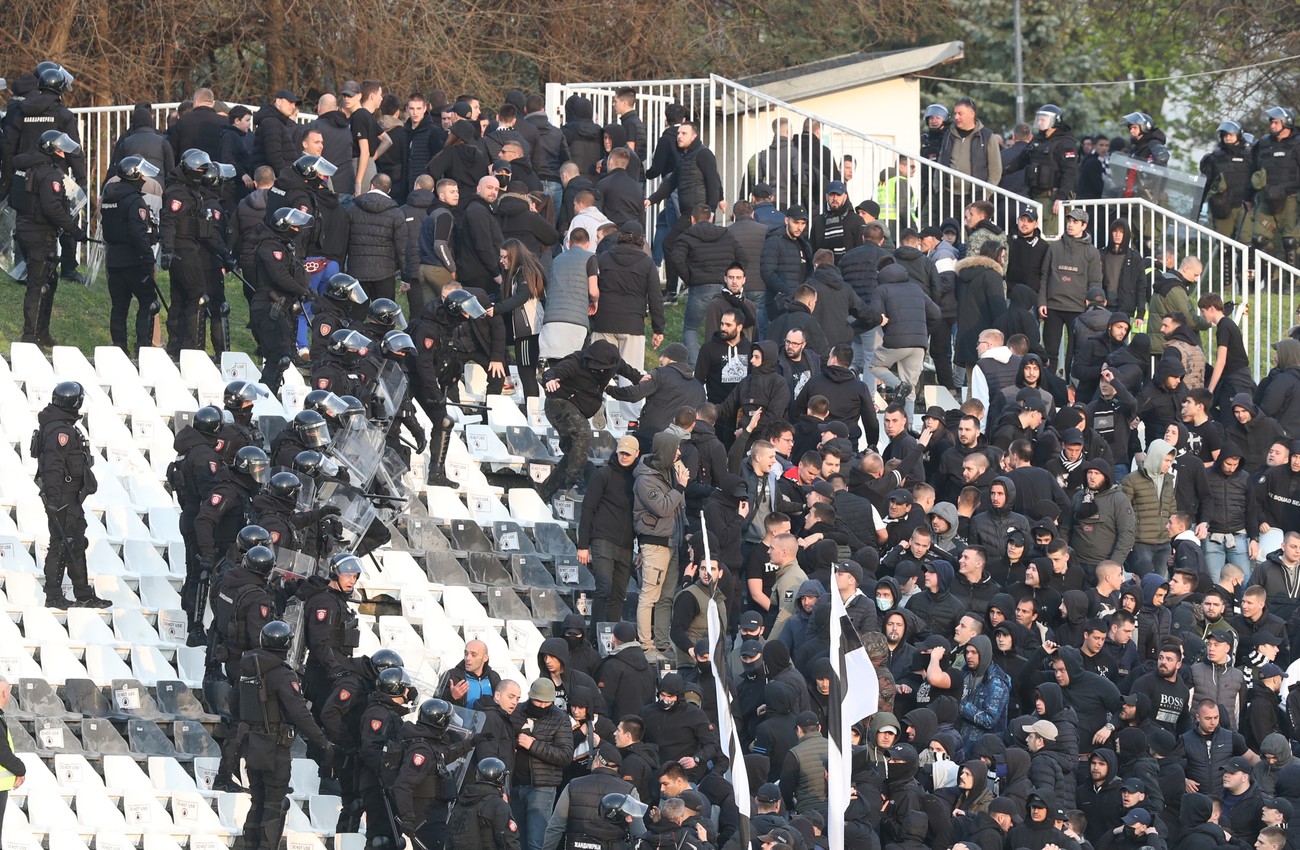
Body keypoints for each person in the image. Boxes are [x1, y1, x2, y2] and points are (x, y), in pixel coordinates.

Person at [239, 621, 334, 850]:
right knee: (274, 804)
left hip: (251, 743)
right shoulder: (282, 674)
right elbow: (299, 712)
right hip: (275, 746)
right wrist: (322, 741)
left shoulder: (247, 668)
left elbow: (235, 704)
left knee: (257, 800)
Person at [35, 382, 110, 609]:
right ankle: (53, 595)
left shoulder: (60, 425)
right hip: (63, 498)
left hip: (71, 498)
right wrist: (53, 500)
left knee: (76, 543)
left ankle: (83, 594)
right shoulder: (61, 431)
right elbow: (54, 467)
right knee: (61, 543)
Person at [9, 130, 87, 345]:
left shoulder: (27, 167)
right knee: (39, 285)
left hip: (25, 230)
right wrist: (75, 230)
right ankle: (30, 336)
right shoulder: (49, 174)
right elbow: (52, 207)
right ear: (51, 150)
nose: (64, 154)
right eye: (61, 150)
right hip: (40, 234)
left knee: (48, 283)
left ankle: (41, 333)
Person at [540, 339, 644, 500]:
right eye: (600, 369)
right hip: (558, 404)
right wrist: (550, 380)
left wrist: (641, 380)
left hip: (579, 409)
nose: (603, 372)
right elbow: (550, 373)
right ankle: (574, 481)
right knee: (583, 434)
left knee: (572, 454)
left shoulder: (613, 362)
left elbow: (627, 370)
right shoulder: (575, 362)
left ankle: (543, 494)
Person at [391, 697, 482, 850]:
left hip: (432, 814)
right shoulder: (421, 750)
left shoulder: (427, 744)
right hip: (425, 816)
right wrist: (407, 817)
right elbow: (403, 784)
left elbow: (442, 756)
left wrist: (470, 743)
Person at [100, 155, 161, 356]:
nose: (144, 177)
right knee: (147, 302)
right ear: (134, 176)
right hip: (135, 260)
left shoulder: (109, 197)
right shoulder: (135, 201)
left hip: (114, 260)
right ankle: (143, 347)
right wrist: (148, 259)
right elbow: (138, 233)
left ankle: (119, 347)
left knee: (119, 306)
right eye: (142, 174)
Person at [248, 207, 314, 392]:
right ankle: (265, 395)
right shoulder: (269, 246)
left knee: (281, 357)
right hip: (268, 307)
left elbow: (295, 273)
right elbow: (279, 276)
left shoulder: (286, 246)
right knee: (278, 356)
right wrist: (301, 290)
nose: (297, 229)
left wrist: (305, 290)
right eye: (293, 226)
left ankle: (270, 392)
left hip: (280, 307)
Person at [1039, 208, 1102, 379]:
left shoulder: (1092, 252)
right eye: (1069, 221)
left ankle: (1070, 387)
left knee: (1075, 352)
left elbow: (1095, 281)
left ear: (1084, 225)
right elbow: (1044, 275)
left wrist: (1091, 304)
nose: (1070, 225)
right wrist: (1042, 302)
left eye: (1075, 222)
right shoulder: (1054, 247)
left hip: (1078, 308)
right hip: (1053, 306)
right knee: (1050, 351)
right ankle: (1049, 385)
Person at [513, 679, 576, 850]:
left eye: (546, 702)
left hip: (542, 788)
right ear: (530, 697)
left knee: (537, 843)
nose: (542, 706)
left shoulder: (560, 719)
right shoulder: (516, 711)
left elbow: (565, 756)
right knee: (515, 842)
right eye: (538, 701)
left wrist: (533, 745)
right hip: (514, 785)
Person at [542, 743, 641, 850]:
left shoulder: (573, 785)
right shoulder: (629, 791)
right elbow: (638, 831)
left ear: (597, 762)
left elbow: (556, 827)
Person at [1004, 104, 1080, 237]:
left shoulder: (1065, 142)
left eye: (1043, 119)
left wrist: (1061, 197)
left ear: (1054, 121)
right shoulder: (1038, 140)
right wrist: (1001, 172)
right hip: (1035, 197)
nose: (1039, 122)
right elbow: (1021, 161)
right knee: (1034, 237)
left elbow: (1070, 172)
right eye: (1038, 119)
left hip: (1053, 199)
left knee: (1050, 236)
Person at [345, 172, 417, 301]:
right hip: (384, 273)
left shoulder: (352, 209)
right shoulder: (396, 213)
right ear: (389, 190)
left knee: (356, 316)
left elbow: (343, 242)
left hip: (356, 270)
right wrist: (406, 277)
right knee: (385, 314)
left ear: (371, 186)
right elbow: (402, 248)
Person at [1250, 107, 1300, 263]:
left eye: (1276, 122)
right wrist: (1248, 197)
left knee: (1290, 242)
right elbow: (1253, 170)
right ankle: (1270, 277)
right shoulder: (1263, 144)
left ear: (1287, 123)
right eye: (1271, 122)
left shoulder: (1297, 143)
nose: (1272, 126)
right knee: (1258, 239)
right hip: (1267, 201)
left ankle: (1292, 284)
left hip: (1291, 200)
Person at [446, 758, 521, 850]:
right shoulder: (498, 805)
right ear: (500, 778)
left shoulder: (460, 803)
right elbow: (509, 841)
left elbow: (450, 840)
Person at [1200, 121, 1254, 239]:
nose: (1228, 138)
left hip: (1244, 206)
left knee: (1246, 242)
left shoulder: (1250, 156)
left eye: (1231, 135)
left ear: (1239, 135)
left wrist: (1254, 200)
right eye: (1225, 135)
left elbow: (1258, 180)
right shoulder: (1214, 158)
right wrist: (1196, 208)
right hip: (1222, 206)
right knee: (1224, 244)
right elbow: (1205, 184)